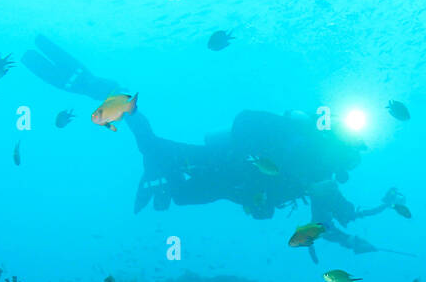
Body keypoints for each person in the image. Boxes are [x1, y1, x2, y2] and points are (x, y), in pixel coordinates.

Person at [22, 35, 402, 254]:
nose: (349, 166)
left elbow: (323, 225)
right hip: (219, 163)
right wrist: (283, 176)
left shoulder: (321, 177)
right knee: (154, 149)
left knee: (170, 179)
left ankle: (116, 105)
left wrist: (353, 239)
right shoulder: (304, 149)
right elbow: (247, 123)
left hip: (223, 186)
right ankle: (107, 92)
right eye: (351, 157)